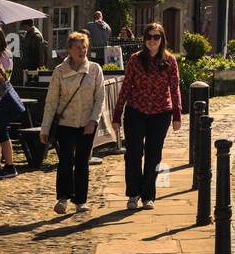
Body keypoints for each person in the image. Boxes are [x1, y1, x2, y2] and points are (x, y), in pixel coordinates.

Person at [112, 22, 182, 211]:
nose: (152, 41)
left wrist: (177, 114)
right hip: (136, 111)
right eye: (149, 37)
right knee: (133, 154)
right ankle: (133, 194)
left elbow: (174, 88)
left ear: (162, 40)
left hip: (161, 114)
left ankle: (148, 195)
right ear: (144, 39)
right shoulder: (135, 60)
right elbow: (126, 86)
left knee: (153, 155)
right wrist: (117, 114)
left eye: (156, 37)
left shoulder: (169, 61)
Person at [40, 32, 105, 214]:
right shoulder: (60, 71)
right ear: (69, 49)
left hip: (87, 123)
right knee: (66, 161)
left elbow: (100, 98)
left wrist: (94, 120)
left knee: (82, 162)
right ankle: (63, 198)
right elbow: (51, 101)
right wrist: (45, 129)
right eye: (77, 47)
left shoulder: (94, 69)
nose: (82, 51)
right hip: (65, 123)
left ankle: (80, 200)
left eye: (84, 47)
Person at [0, 25, 21, 178]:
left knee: (1, 131)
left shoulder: (3, 56)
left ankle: (10, 165)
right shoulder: (0, 54)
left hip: (4, 99)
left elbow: (2, 79)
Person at [20, 20, 45, 84]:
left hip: (34, 63)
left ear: (27, 25)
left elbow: (40, 52)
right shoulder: (29, 33)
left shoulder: (36, 35)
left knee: (33, 82)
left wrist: (40, 66)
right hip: (30, 62)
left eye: (24, 26)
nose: (23, 29)